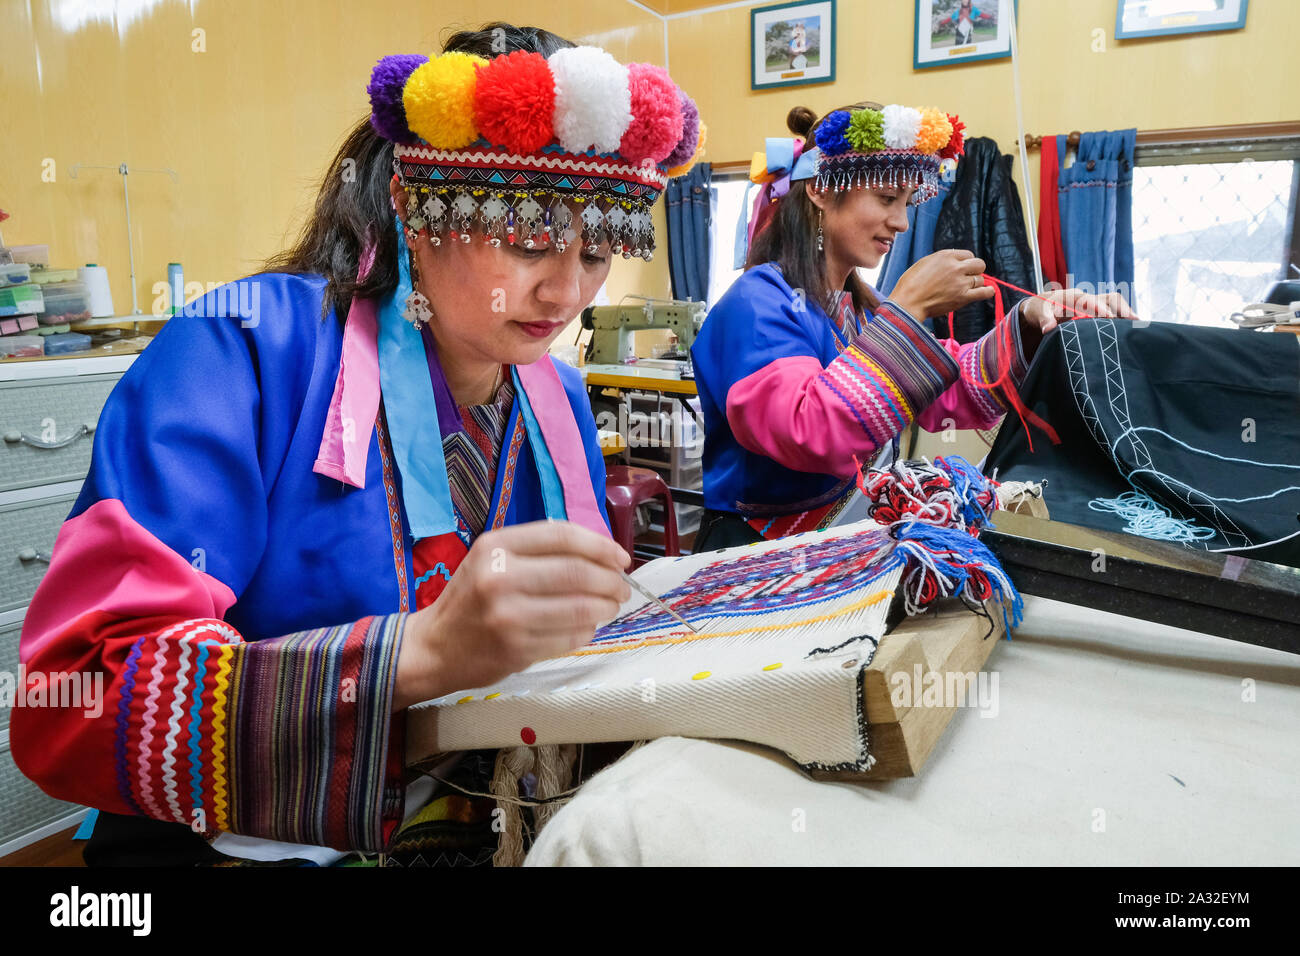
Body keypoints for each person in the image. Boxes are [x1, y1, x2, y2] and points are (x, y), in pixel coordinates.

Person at [11, 23, 704, 866]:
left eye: (597, 251)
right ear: (417, 207)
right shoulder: (244, 347)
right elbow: (75, 696)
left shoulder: (551, 391)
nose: (565, 290)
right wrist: (422, 655)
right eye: (527, 240)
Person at [692, 102, 1136, 550]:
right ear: (822, 192)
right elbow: (808, 432)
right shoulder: (756, 305)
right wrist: (907, 308)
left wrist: (1029, 321)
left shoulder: (860, 308)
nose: (902, 223)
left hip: (838, 536)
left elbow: (952, 386)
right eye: (887, 199)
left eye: (906, 203)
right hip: (753, 549)